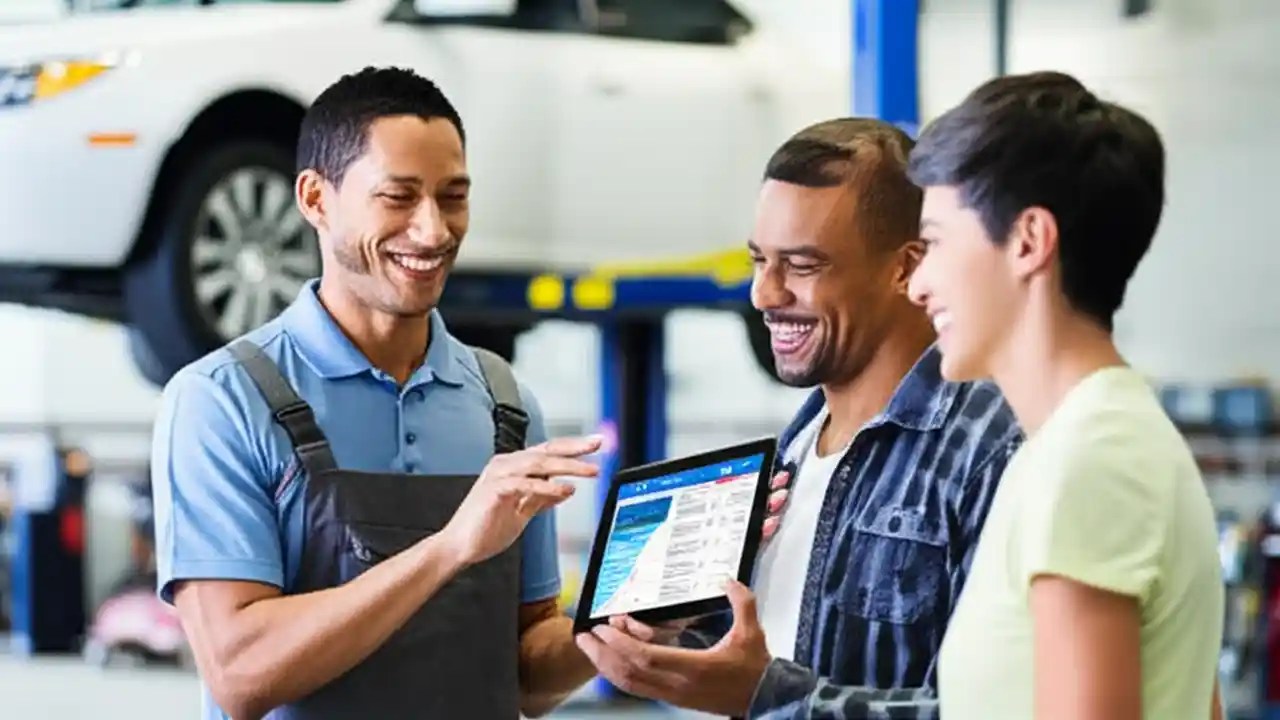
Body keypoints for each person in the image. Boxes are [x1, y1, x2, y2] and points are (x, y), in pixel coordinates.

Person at [149, 66, 602, 720]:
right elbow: (240, 672)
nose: (434, 231)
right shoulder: (223, 401)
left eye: (453, 197)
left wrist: (625, 623)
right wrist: (451, 547)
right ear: (315, 198)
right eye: (398, 197)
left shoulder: (506, 406)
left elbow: (526, 673)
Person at [573, 118, 1022, 718]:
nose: (764, 293)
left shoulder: (992, 452)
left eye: (802, 266)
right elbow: (778, 652)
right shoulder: (790, 453)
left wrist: (770, 697)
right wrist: (676, 639)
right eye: (760, 260)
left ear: (906, 268)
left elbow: (1001, 709)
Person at [906, 71, 1226, 718]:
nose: (917, 286)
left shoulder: (1090, 459)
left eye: (934, 243)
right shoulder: (1084, 443)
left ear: (1028, 242)